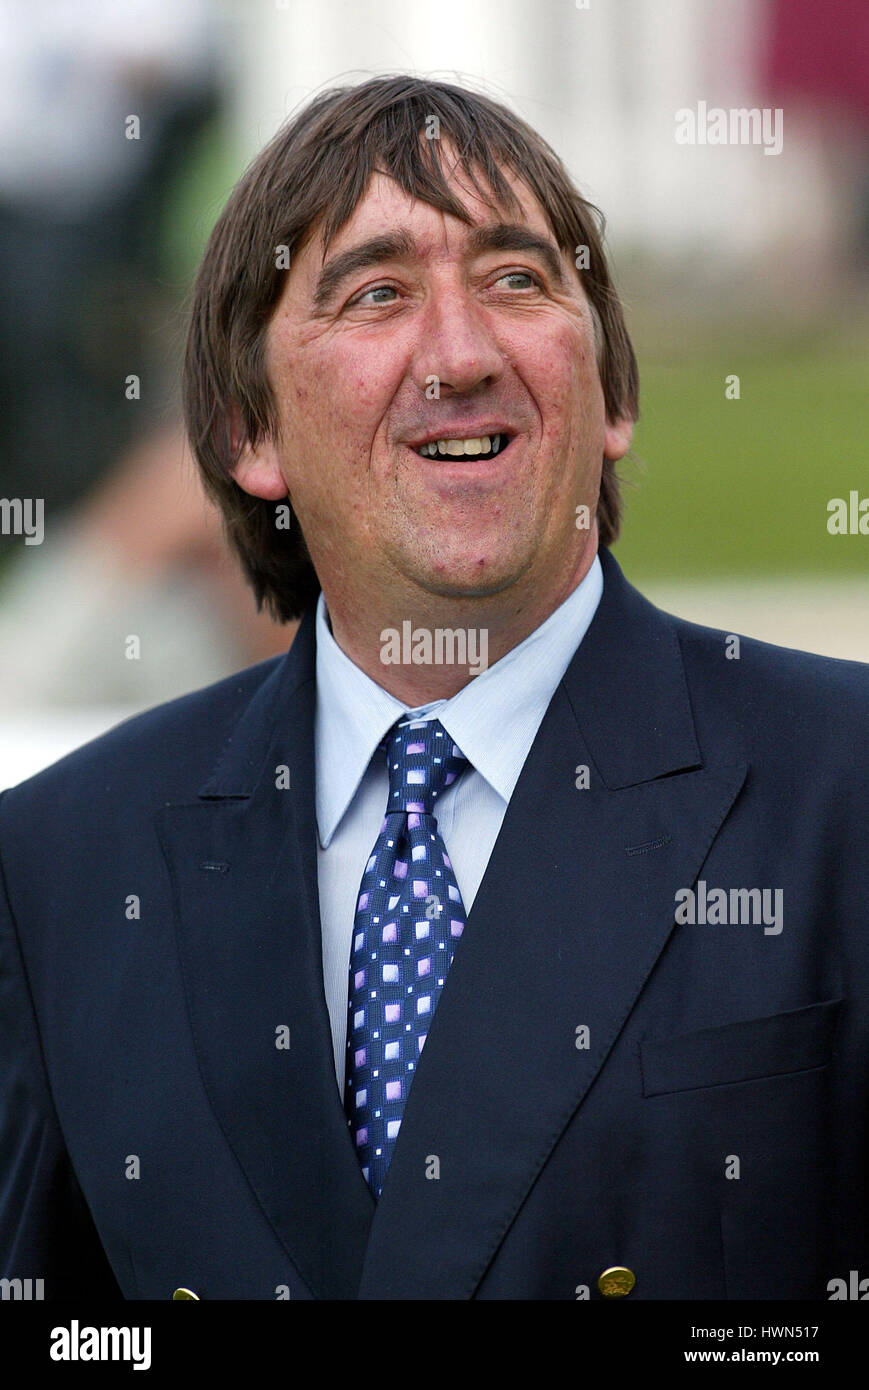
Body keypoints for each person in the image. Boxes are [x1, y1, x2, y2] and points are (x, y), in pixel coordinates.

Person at [0, 75, 866, 1302]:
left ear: (610, 395)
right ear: (251, 432)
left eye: (517, 279)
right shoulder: (61, 866)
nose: (458, 355)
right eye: (376, 294)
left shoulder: (842, 791)